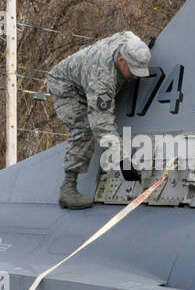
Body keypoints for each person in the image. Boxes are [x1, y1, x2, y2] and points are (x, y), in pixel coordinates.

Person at [46, 30, 151, 210]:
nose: (135, 76)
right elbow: (100, 123)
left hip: (86, 78)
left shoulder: (132, 43)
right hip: (66, 86)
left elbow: (127, 33)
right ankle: (68, 188)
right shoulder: (103, 78)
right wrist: (123, 161)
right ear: (121, 61)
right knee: (84, 130)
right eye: (133, 71)